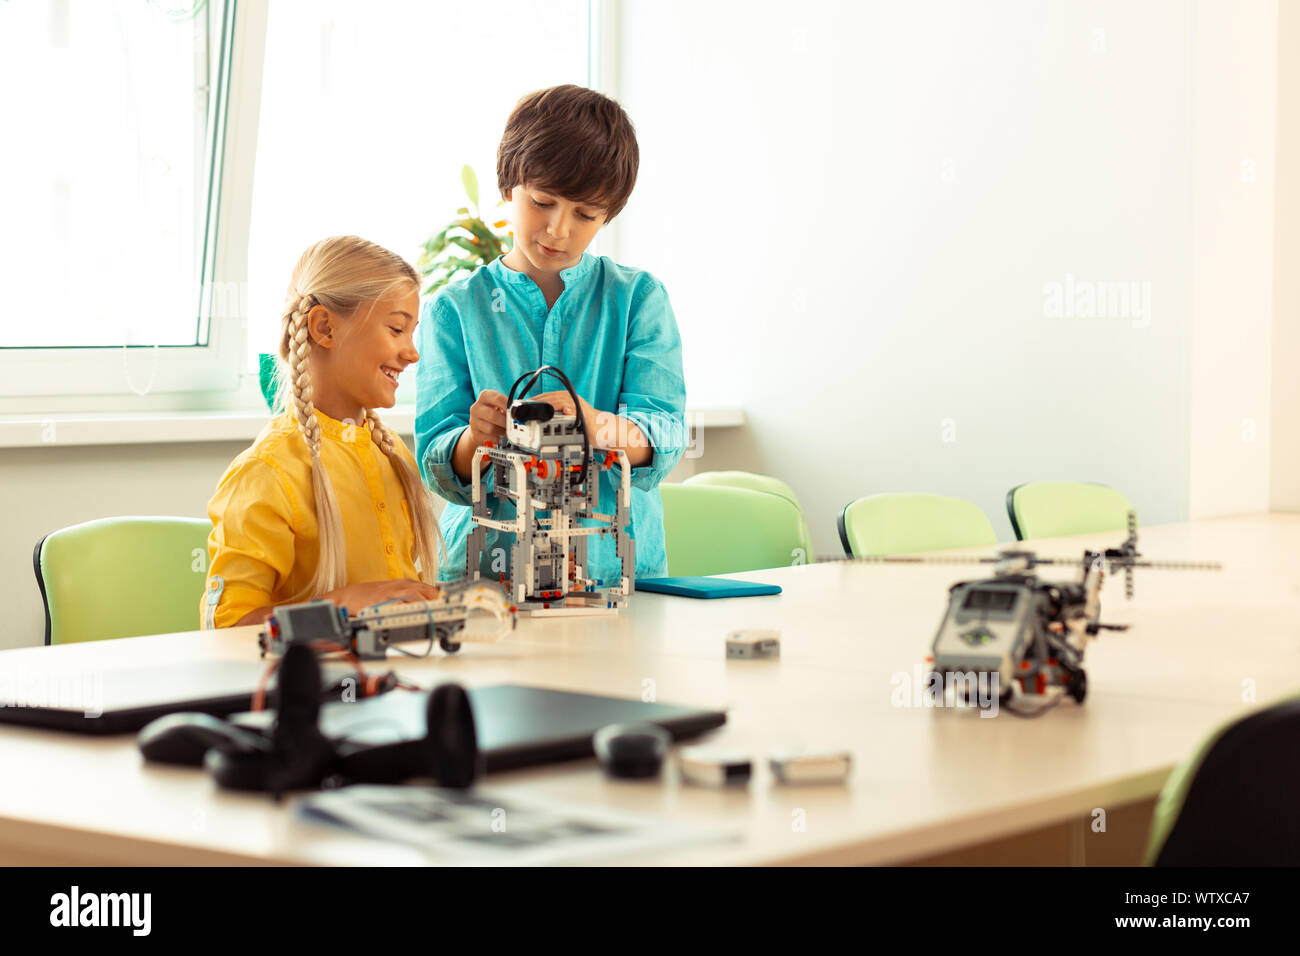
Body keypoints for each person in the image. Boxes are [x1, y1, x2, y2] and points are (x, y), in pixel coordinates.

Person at [415, 84, 687, 586]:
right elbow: (434, 456)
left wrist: (596, 424)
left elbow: (666, 434)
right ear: (508, 185)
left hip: (614, 577)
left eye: (585, 214)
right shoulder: (453, 311)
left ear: (609, 214)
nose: (559, 229)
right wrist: (475, 439)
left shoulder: (637, 300)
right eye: (542, 202)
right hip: (487, 579)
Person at [202, 236, 443, 628]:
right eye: (397, 329)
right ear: (324, 328)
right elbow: (227, 630)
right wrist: (342, 607)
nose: (412, 353)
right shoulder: (267, 471)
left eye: (412, 333)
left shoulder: (391, 452)